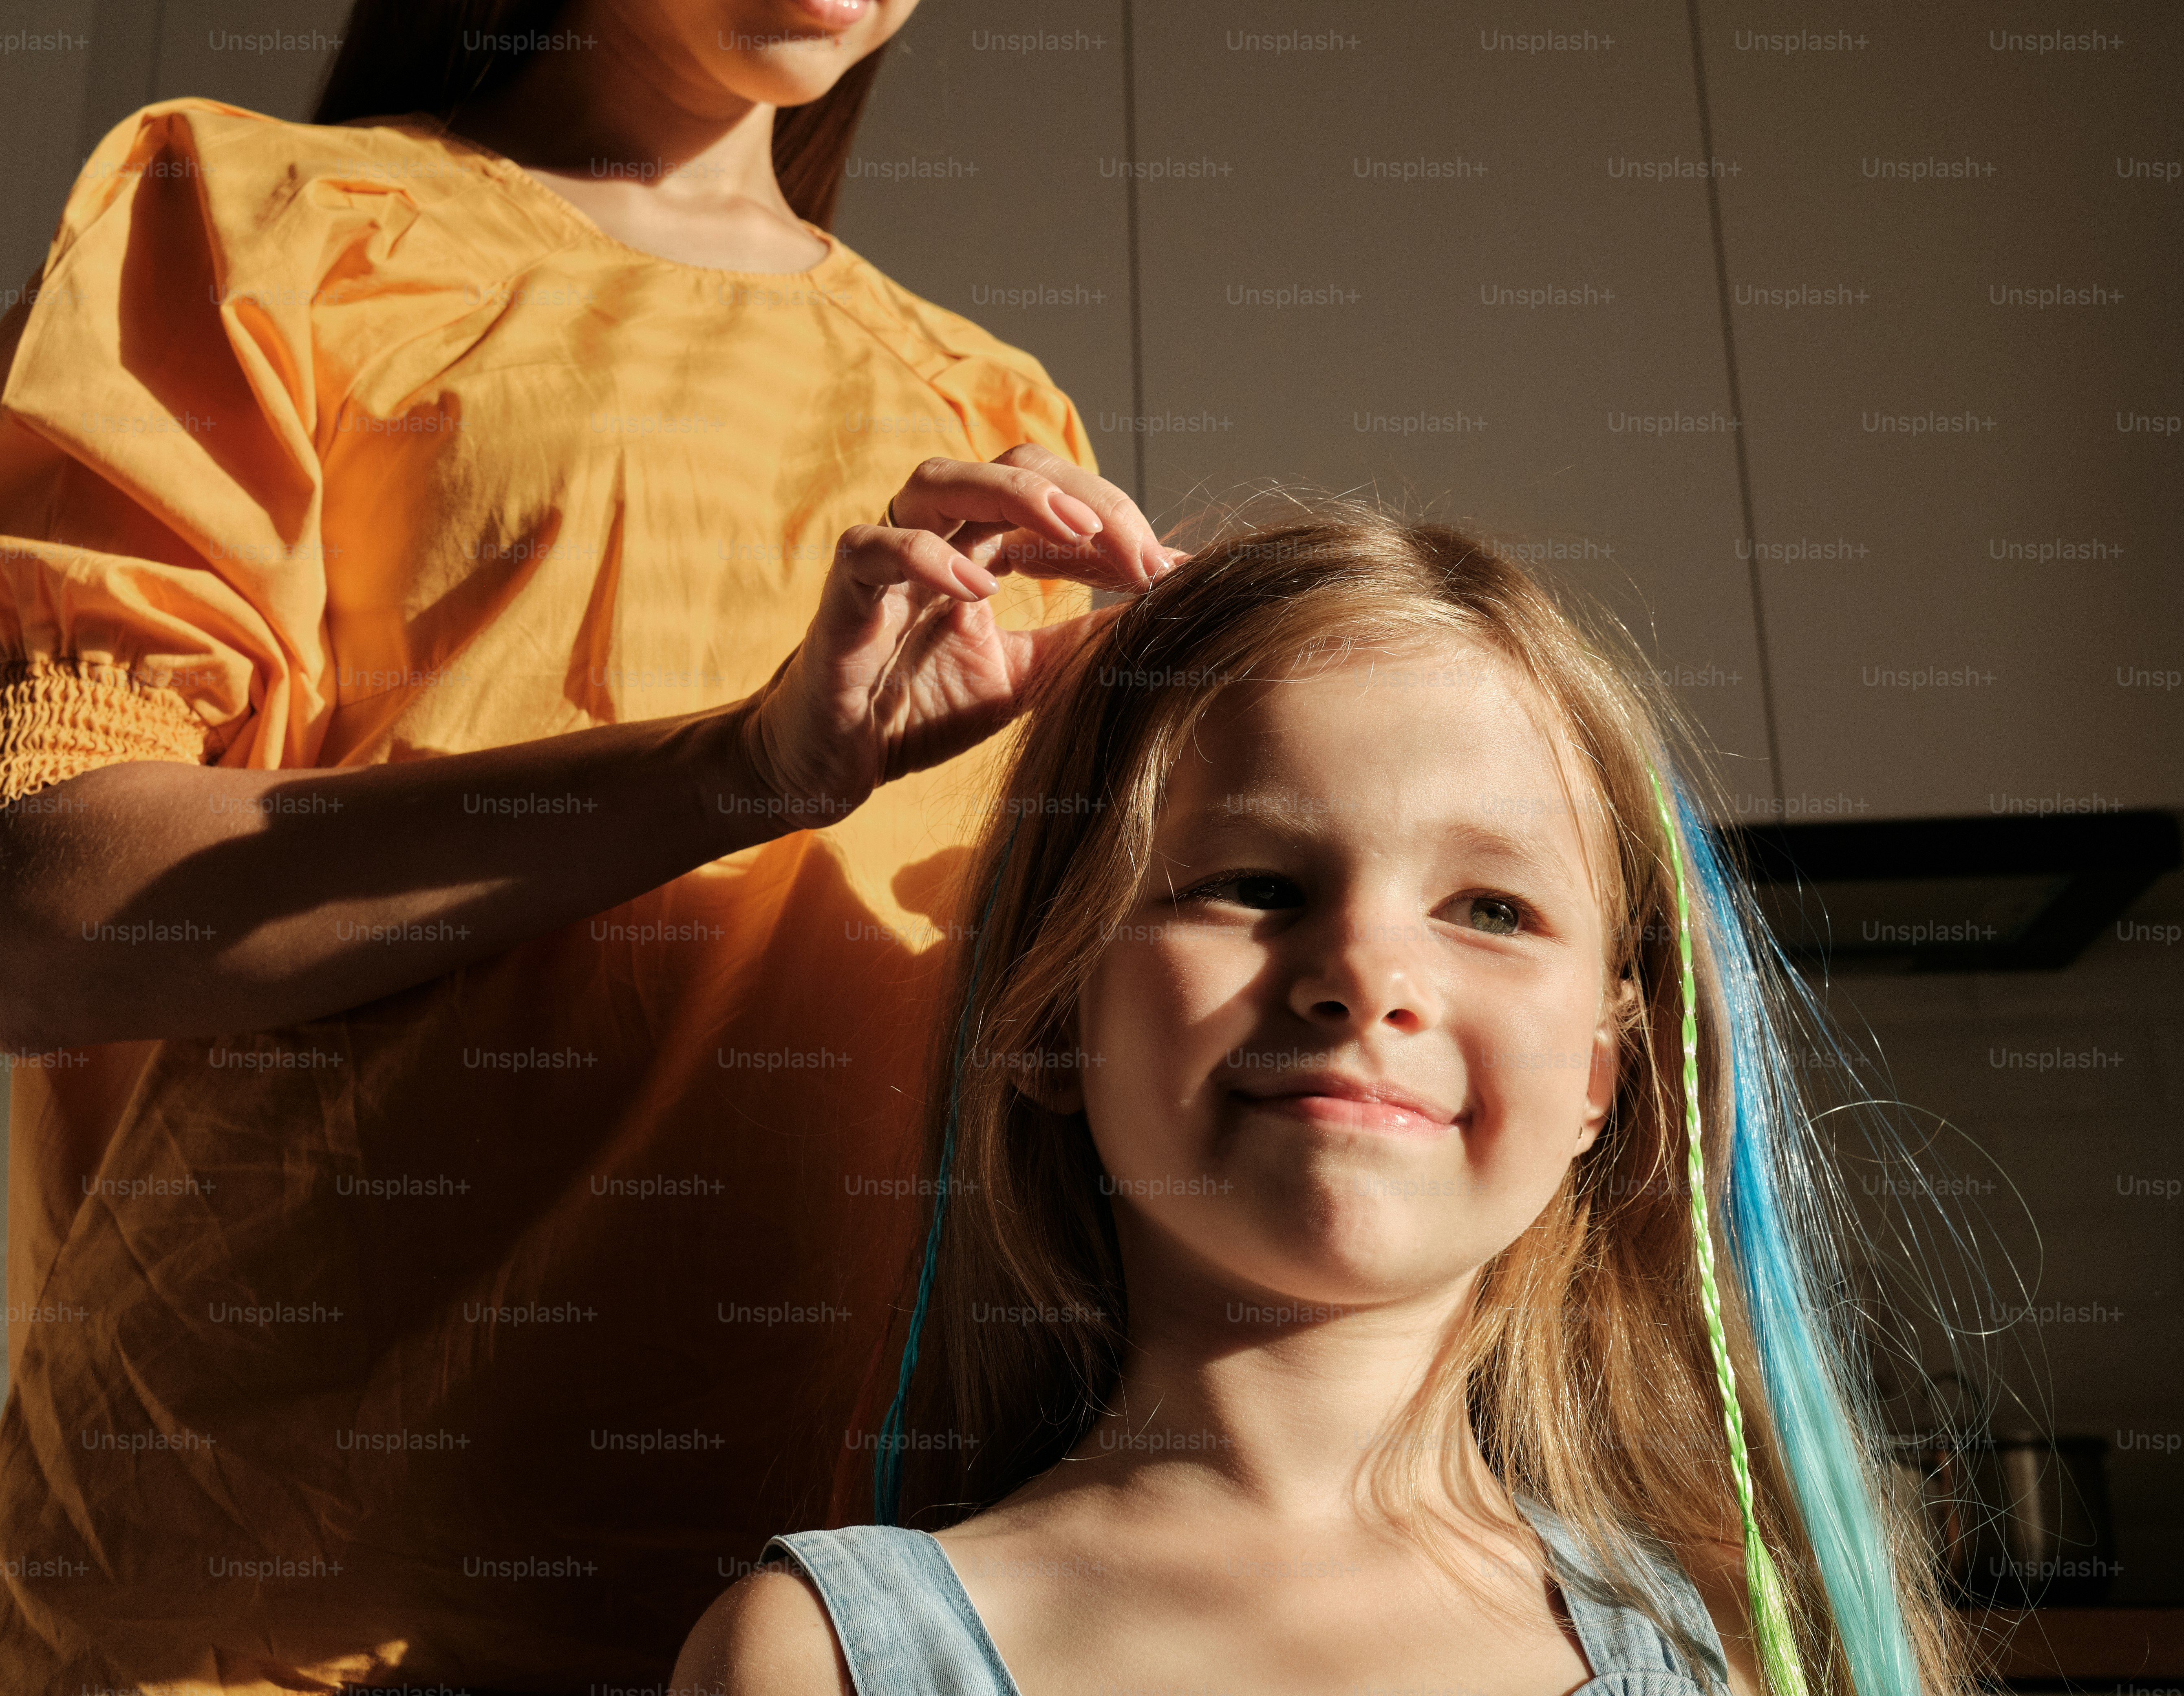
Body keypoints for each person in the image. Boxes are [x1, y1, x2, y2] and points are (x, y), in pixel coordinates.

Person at [0, 0, 1180, 1687]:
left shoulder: (996, 410)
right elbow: (50, 910)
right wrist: (736, 768)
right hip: (236, 1614)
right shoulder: (252, 217)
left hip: (808, 1635)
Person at [675, 501, 1983, 1695]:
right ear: (1054, 1014)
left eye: (1491, 908)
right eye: (1251, 884)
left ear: (1604, 1072)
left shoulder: (1744, 1653)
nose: (1365, 975)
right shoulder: (815, 1660)